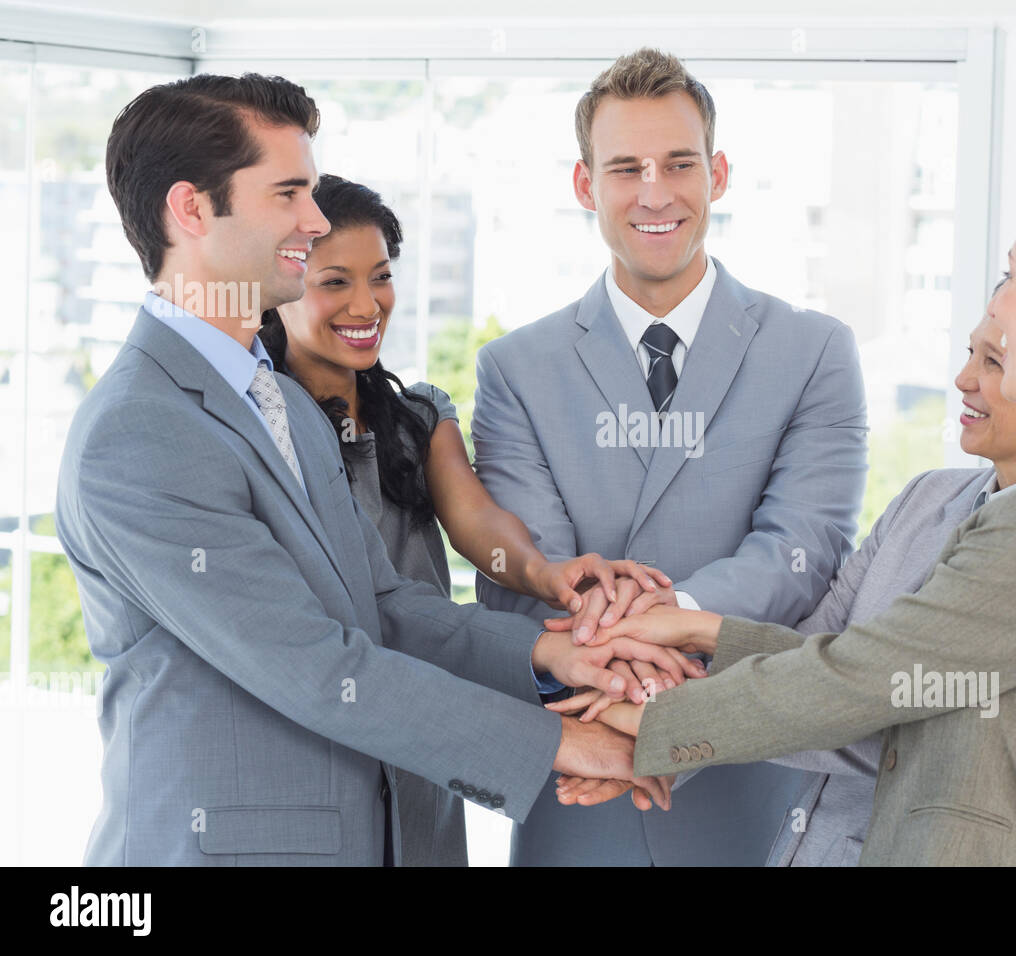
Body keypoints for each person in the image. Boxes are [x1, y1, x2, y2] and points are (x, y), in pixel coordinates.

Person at [56, 72, 681, 866]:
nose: (313, 220)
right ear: (191, 209)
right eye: (288, 194)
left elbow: (381, 605)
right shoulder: (140, 431)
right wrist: (567, 742)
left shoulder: (273, 399)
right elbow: (312, 665)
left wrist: (554, 657)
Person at [564, 178, 1016, 866]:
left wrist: (637, 724)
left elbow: (863, 682)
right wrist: (700, 630)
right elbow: (881, 665)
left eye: (1010, 277)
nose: (996, 306)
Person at [472, 47, 868, 866]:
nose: (655, 192)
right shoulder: (515, 368)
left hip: (752, 786)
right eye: (626, 168)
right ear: (586, 186)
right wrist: (628, 682)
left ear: (717, 174)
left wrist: (667, 620)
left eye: (678, 163)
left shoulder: (814, 352)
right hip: (583, 793)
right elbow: (528, 575)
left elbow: (805, 553)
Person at [257, 173, 682, 865]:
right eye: (335, 281)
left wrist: (546, 575)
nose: (367, 304)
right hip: (325, 734)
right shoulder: (263, 429)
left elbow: (478, 522)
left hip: (435, 737)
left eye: (382, 277)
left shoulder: (417, 417)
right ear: (282, 287)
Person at [553, 289, 1016, 866]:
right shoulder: (925, 496)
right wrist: (680, 642)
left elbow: (893, 724)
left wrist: (633, 715)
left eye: (993, 362)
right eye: (969, 353)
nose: (963, 379)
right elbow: (815, 654)